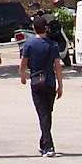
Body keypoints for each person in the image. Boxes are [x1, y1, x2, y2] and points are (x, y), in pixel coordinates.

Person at [20, 15, 64, 156]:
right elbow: (57, 66)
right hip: (50, 82)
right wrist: (60, 84)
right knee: (47, 113)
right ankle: (44, 142)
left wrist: (22, 75)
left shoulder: (29, 44)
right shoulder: (53, 45)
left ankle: (48, 145)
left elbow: (23, 62)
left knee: (43, 114)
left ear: (34, 28)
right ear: (45, 28)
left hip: (36, 81)